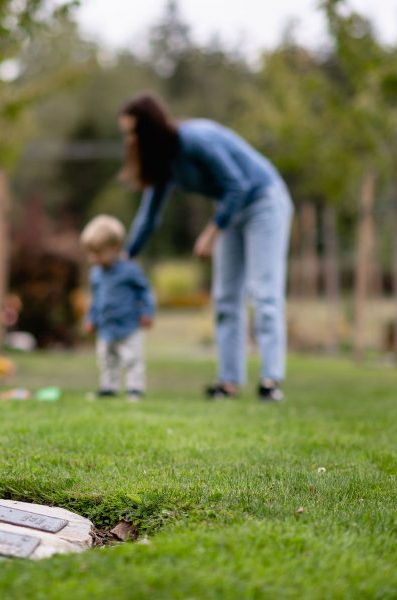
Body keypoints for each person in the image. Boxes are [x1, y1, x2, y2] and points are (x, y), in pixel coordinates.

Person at [119, 92, 292, 402]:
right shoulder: (164, 162)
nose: (129, 140)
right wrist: (125, 256)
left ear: (150, 130)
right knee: (225, 297)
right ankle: (229, 382)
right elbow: (148, 217)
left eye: (133, 132)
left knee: (263, 292)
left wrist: (212, 232)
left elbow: (237, 184)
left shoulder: (194, 138)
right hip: (230, 210)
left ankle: (270, 380)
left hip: (263, 200)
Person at [81, 214, 156, 402]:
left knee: (132, 359)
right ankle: (109, 387)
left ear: (115, 248)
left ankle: (135, 389)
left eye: (98, 253)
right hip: (106, 327)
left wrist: (147, 312)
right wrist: (91, 318)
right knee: (106, 359)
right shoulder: (96, 274)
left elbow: (145, 291)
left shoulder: (130, 270)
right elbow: (96, 298)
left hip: (129, 325)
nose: (93, 259)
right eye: (91, 253)